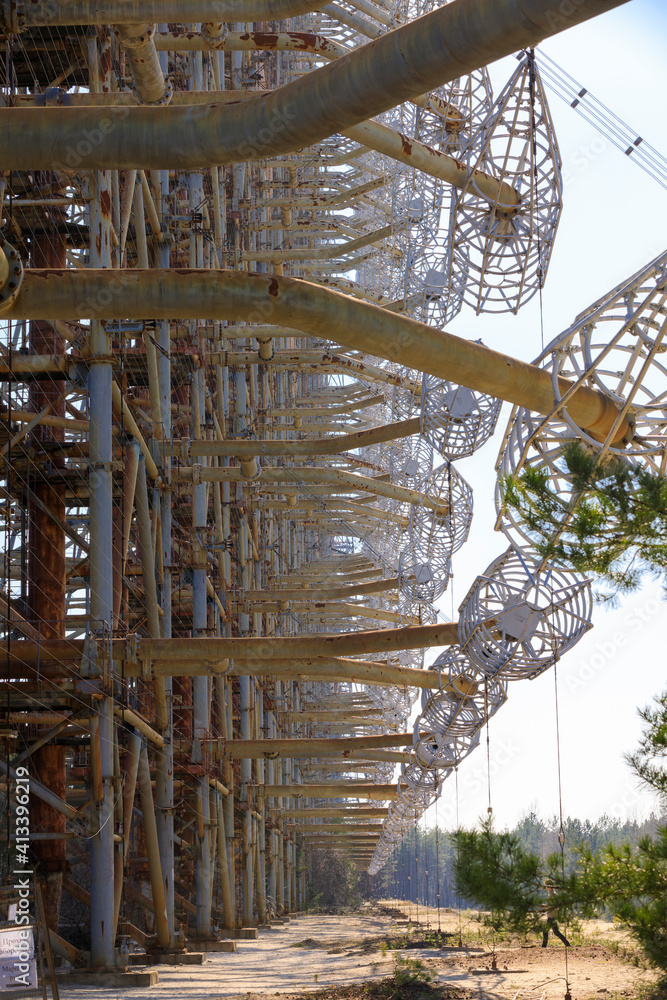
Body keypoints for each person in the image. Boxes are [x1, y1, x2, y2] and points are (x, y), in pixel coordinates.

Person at [541, 879, 570, 948]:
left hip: (552, 916)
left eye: (547, 886)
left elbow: (551, 906)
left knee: (545, 931)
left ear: (549, 887)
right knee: (556, 932)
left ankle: (543, 946)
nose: (546, 888)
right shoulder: (553, 894)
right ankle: (567, 944)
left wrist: (543, 907)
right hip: (552, 915)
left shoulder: (552, 895)